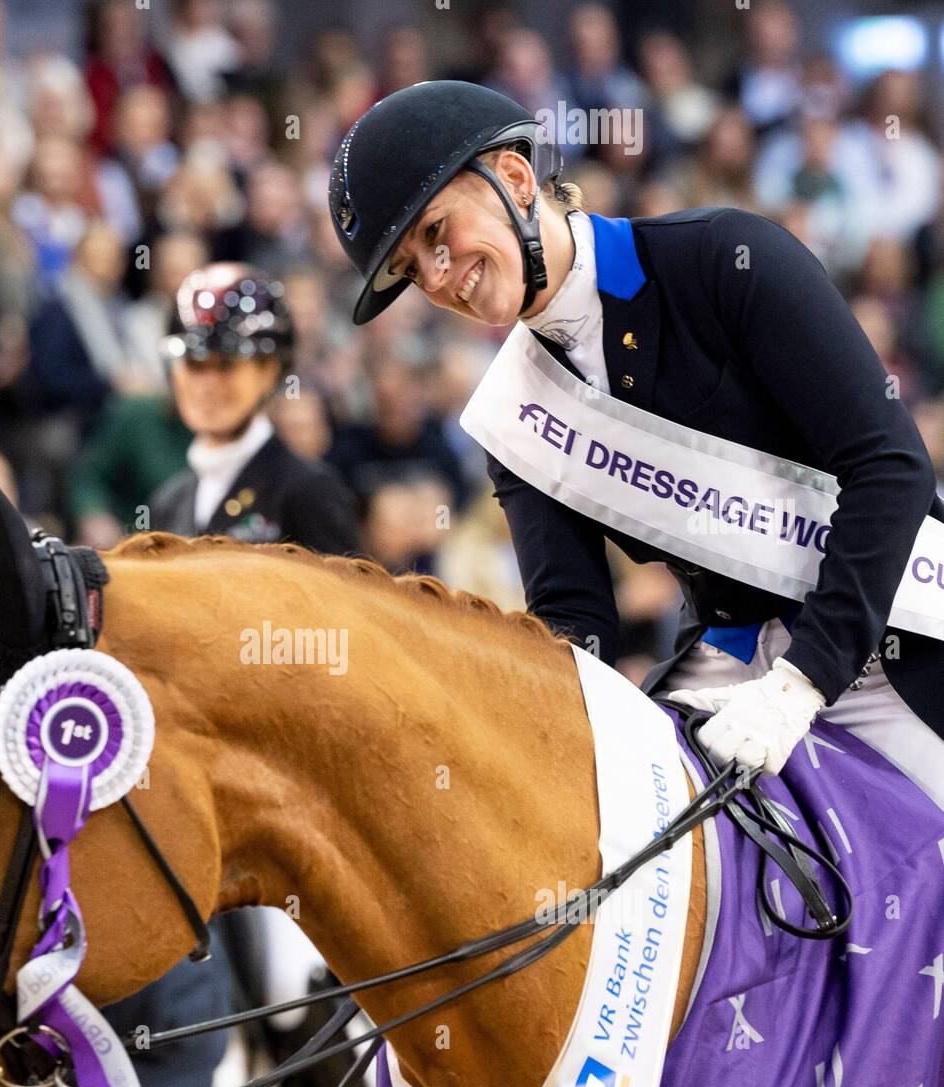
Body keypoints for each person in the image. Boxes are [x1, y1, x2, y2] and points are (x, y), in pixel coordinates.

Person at [328, 80, 944, 810]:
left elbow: (890, 467)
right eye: (409, 270)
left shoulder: (726, 258)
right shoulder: (512, 413)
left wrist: (802, 682)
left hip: (885, 629)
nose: (437, 277)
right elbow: (575, 621)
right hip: (726, 664)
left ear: (518, 179)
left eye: (436, 233)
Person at [150, 261, 359, 555]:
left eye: (226, 365)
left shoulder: (308, 491)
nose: (206, 385)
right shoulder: (169, 502)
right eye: (195, 365)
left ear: (270, 371)